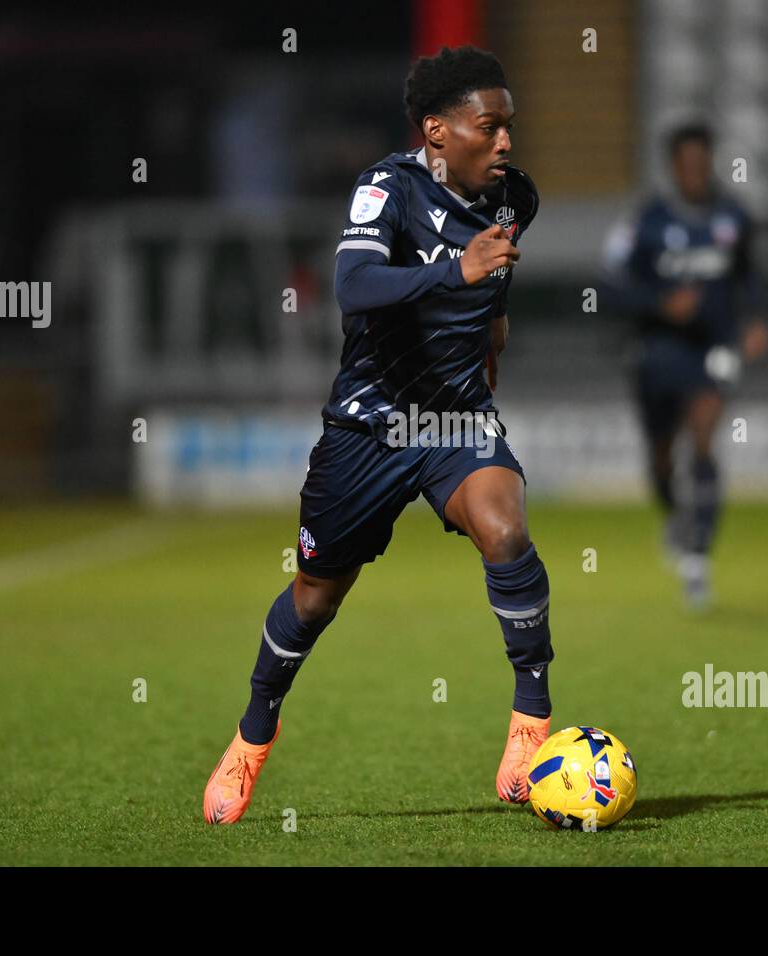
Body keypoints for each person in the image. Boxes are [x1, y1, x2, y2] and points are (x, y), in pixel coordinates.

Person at [203, 45, 553, 824]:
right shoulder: (385, 190)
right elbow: (354, 287)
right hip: (368, 425)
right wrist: (452, 274)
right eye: (488, 127)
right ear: (437, 130)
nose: (505, 143)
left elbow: (499, 272)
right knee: (316, 596)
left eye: (510, 128)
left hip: (455, 420)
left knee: (505, 529)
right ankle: (254, 732)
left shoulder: (512, 197)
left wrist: (492, 325)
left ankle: (532, 720)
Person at [601, 122, 768, 607]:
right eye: (686, 164)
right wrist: (659, 304)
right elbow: (609, 286)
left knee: (702, 434)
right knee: (660, 458)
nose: (695, 172)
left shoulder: (733, 217)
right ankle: (678, 518)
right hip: (657, 351)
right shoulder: (645, 221)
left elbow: (749, 276)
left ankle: (697, 556)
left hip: (713, 348)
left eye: (702, 163)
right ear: (673, 167)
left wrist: (755, 320)